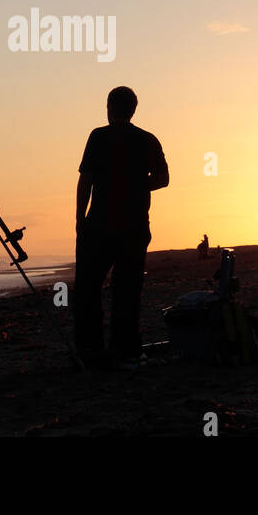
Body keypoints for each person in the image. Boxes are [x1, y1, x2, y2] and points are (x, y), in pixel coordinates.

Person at [74, 86, 169, 369]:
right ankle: (124, 347)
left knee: (88, 288)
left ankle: (91, 349)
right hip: (135, 226)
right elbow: (163, 179)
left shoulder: (98, 136)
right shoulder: (147, 140)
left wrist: (79, 219)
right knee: (127, 288)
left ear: (109, 107)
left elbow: (85, 181)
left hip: (100, 225)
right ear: (133, 109)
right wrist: (138, 185)